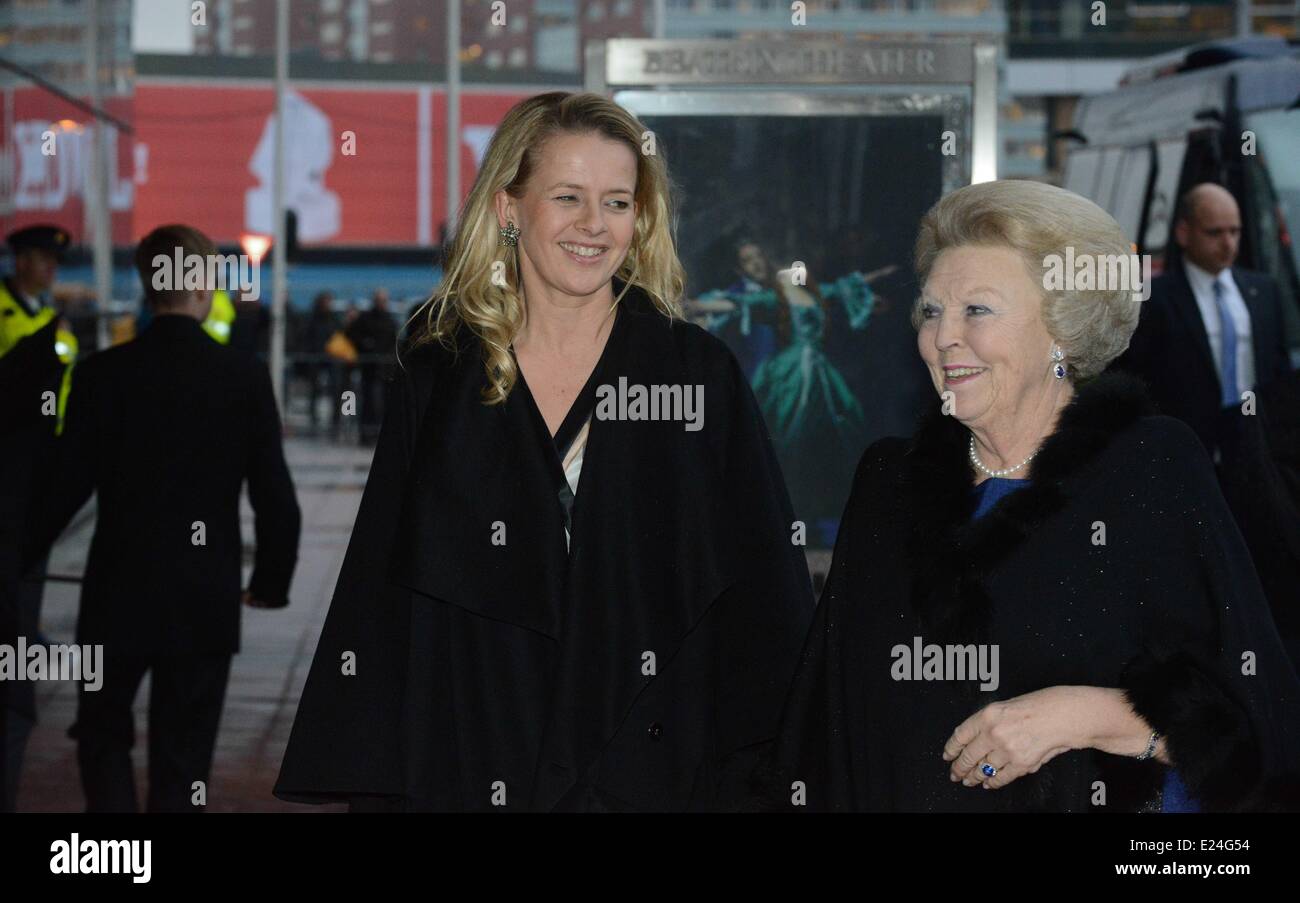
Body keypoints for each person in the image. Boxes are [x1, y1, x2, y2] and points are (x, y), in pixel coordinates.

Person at [274, 91, 814, 812]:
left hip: (649, 776)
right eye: (568, 197)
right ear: (508, 209)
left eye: (618, 202)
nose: (595, 225)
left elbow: (764, 598)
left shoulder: (695, 373)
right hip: (475, 761)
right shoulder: (442, 370)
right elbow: (388, 592)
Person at [764, 180, 1300, 812]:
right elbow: (824, 727)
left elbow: (1259, 730)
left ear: (1061, 331)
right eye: (931, 311)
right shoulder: (890, 481)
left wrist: (1088, 715)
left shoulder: (1147, 468)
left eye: (978, 311)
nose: (943, 338)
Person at [18, 224, 302, 812]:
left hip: (115, 593)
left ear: (149, 286)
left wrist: (16, 556)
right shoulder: (243, 378)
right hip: (203, 597)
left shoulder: (101, 375)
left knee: (101, 736)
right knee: (184, 754)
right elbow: (274, 494)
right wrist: (269, 582)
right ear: (204, 288)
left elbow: (62, 488)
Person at [1112, 182, 1300, 663]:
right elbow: (1131, 381)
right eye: (1215, 231)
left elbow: (1279, 377)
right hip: (1189, 460)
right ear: (1184, 232)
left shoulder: (1263, 292)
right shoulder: (1154, 300)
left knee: (1264, 567)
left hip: (1258, 464)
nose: (1228, 243)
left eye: (1235, 231)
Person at [0, 224, 78, 811]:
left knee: (32, 561)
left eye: (55, 262)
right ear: (21, 261)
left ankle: (23, 628)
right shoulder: (5, 314)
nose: (51, 270)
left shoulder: (49, 317)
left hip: (43, 464)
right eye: (43, 260)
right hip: (10, 462)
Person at [344, 288, 398, 445]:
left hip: (386, 368)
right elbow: (353, 336)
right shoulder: (365, 319)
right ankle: (367, 434)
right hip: (370, 369)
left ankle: (379, 434)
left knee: (383, 404)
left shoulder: (389, 320)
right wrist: (366, 345)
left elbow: (393, 342)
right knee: (369, 403)